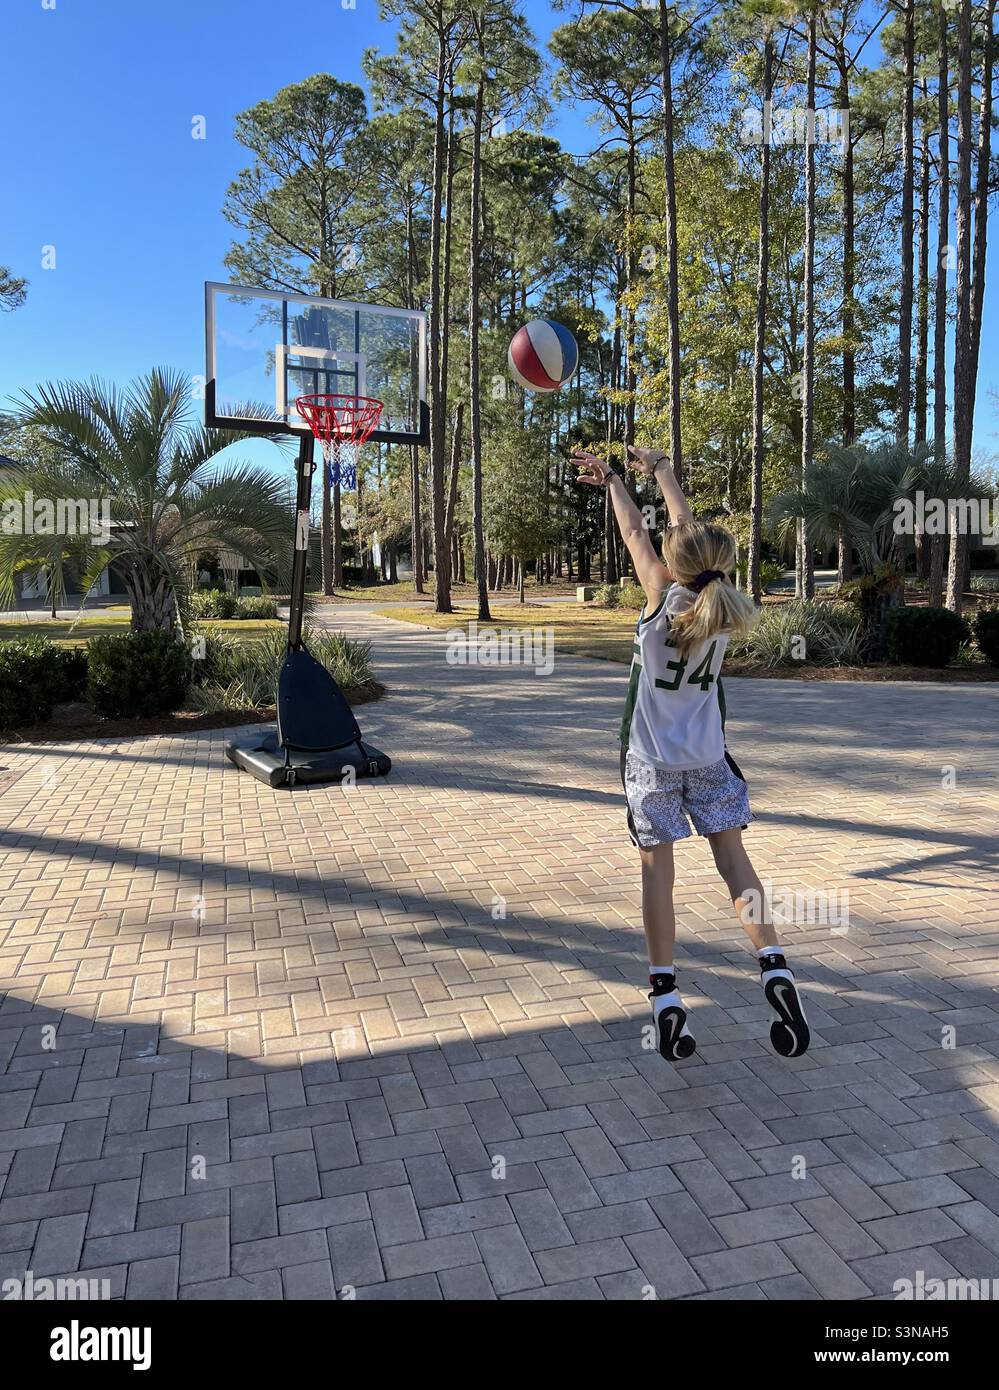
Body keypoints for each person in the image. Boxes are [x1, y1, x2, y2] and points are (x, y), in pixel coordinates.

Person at [574, 445, 809, 1062]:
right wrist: (661, 472)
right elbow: (685, 534)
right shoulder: (724, 604)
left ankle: (666, 997)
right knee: (734, 860)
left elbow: (635, 531)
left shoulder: (660, 598)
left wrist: (615, 481)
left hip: (652, 763)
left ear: (675, 562)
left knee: (659, 873)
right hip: (708, 759)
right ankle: (775, 967)